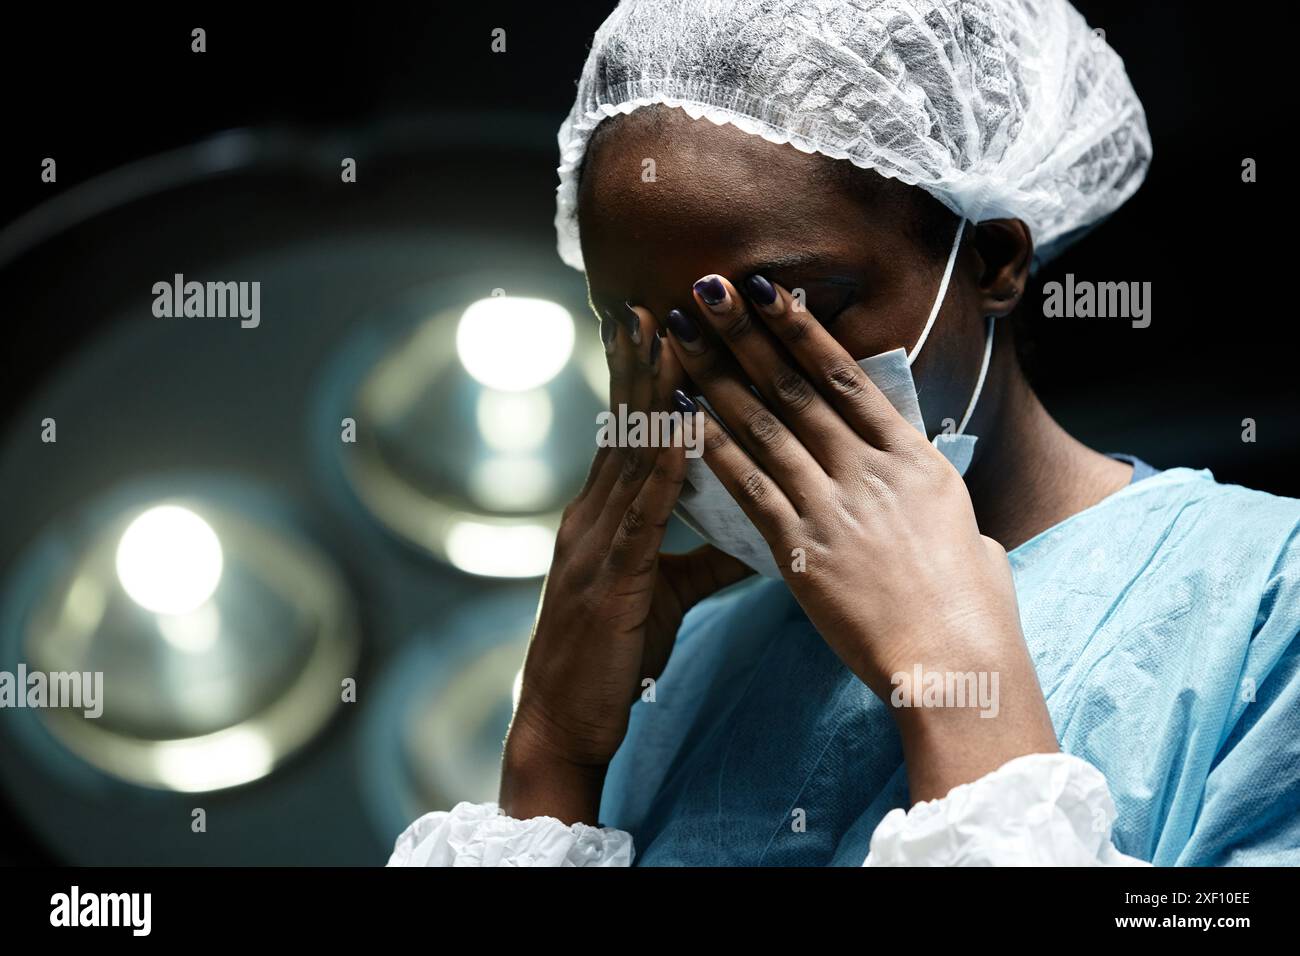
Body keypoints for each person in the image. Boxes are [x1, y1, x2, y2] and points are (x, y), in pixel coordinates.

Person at [388, 0, 1300, 866]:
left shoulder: (1265, 607)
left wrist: (955, 695)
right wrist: (553, 751)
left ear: (992, 260)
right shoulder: (689, 674)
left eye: (784, 309)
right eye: (649, 336)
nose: (711, 383)